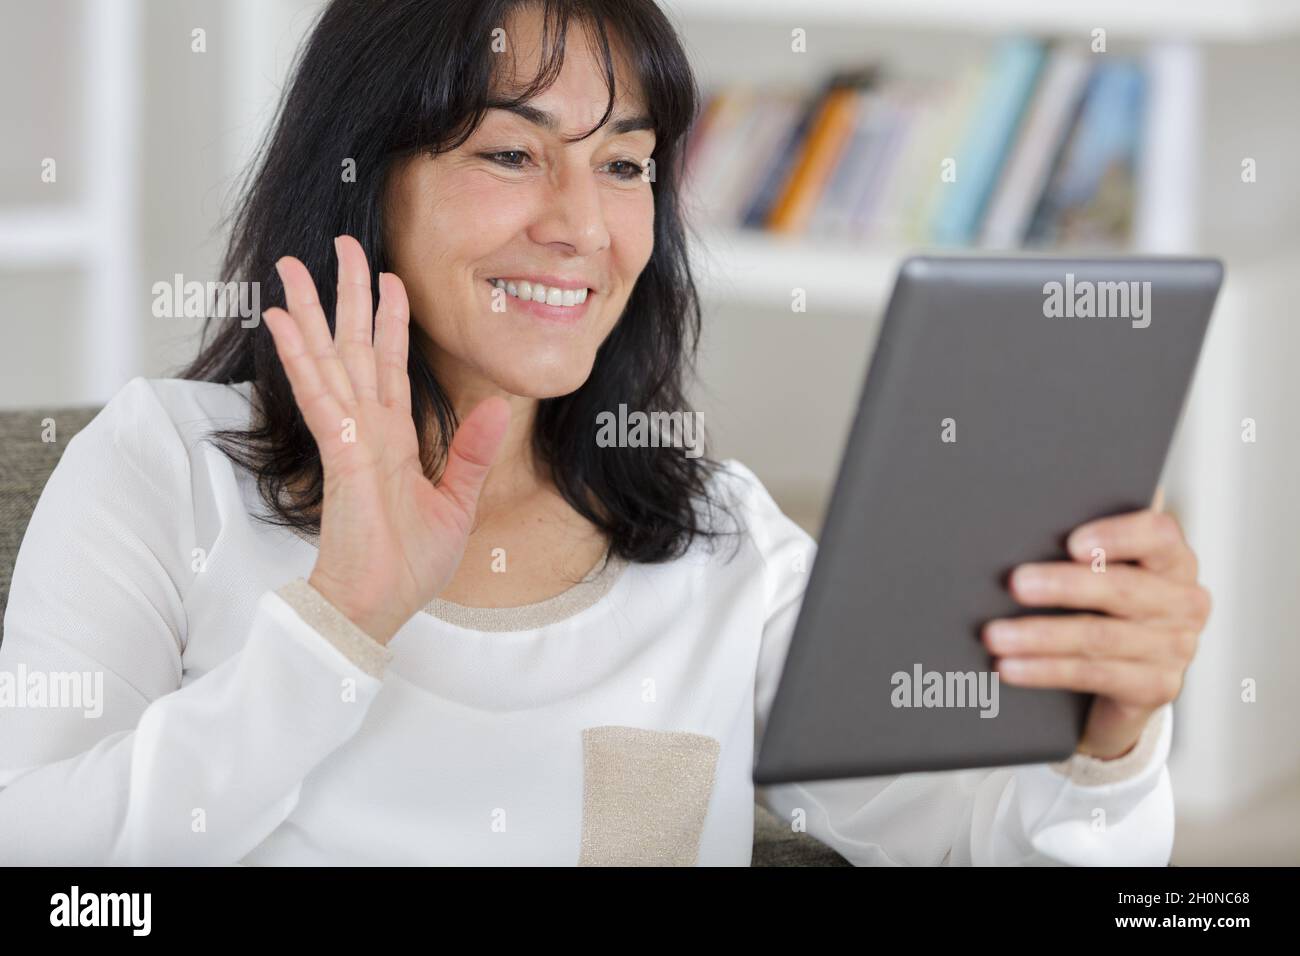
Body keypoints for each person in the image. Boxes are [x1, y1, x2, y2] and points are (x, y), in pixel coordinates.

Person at [0, 0, 1208, 865]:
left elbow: (980, 848)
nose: (582, 223)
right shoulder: (165, 466)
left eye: (625, 164)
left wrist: (1103, 745)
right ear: (363, 180)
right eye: (512, 152)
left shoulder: (720, 539)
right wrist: (341, 619)